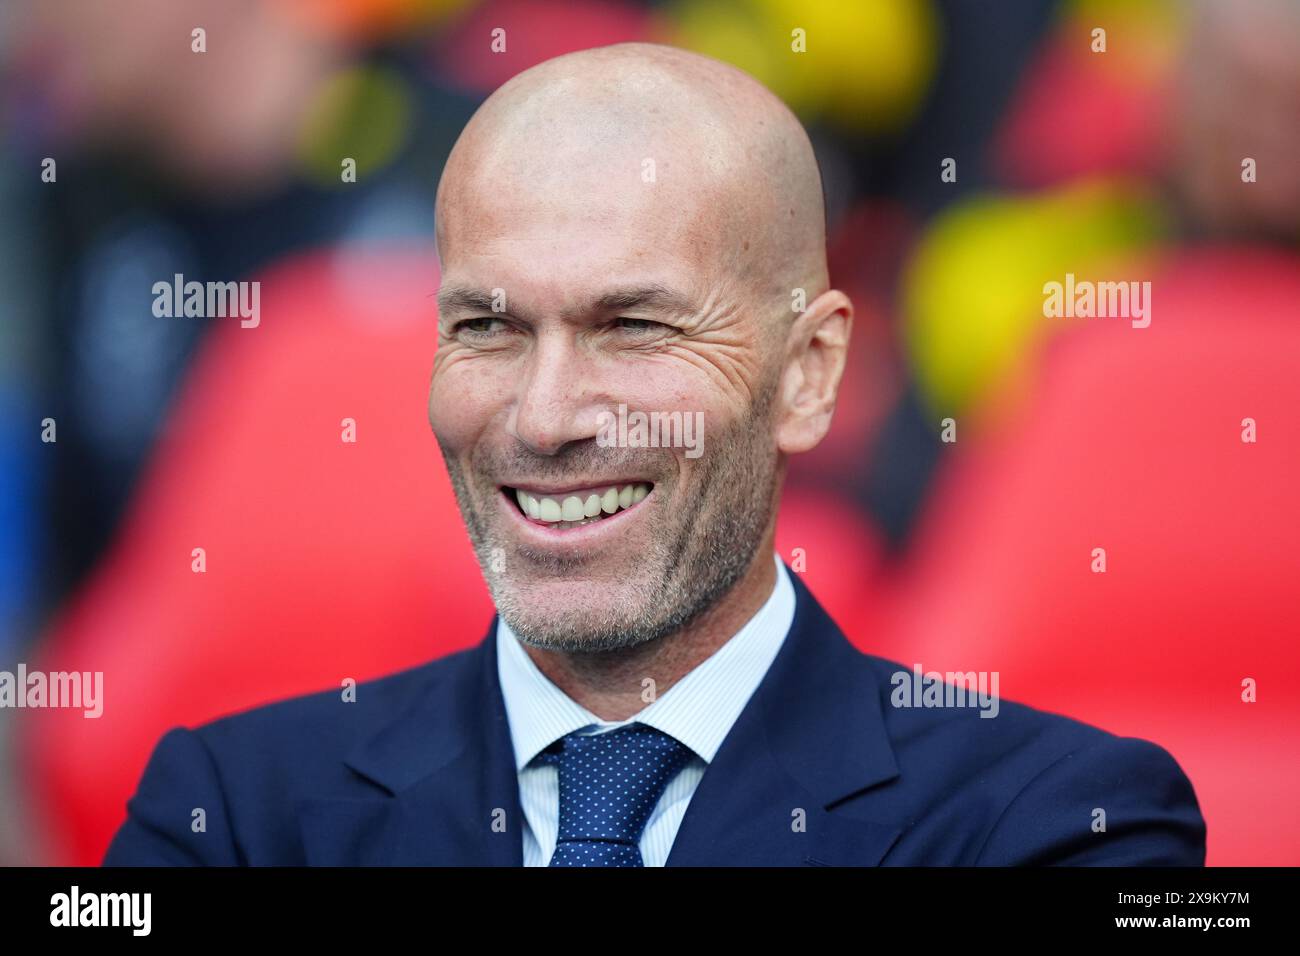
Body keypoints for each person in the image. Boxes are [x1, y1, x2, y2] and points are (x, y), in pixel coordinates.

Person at [103, 42, 1204, 867]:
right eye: (486, 327)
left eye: (634, 327)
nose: (542, 417)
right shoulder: (229, 812)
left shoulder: (1063, 822)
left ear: (809, 373)